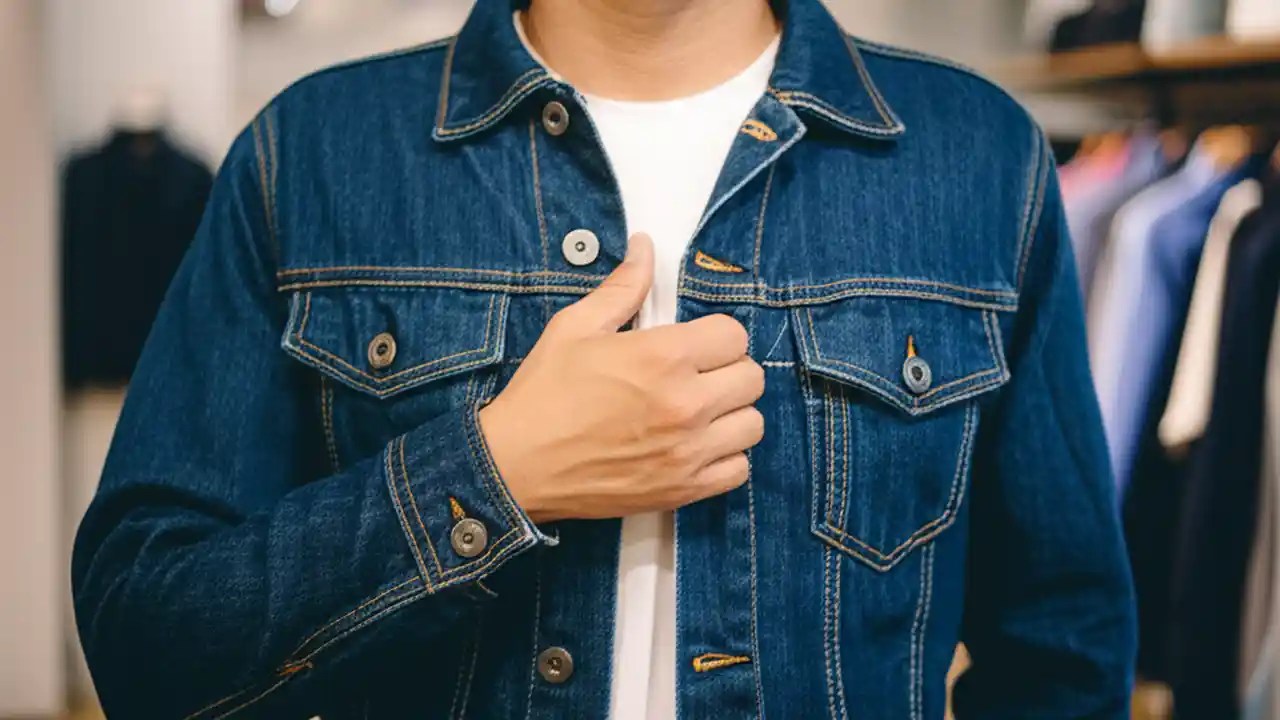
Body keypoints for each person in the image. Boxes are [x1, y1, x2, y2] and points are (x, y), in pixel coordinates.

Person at [71, 0, 1137, 717]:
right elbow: (145, 635)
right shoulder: (309, 154)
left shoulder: (974, 157)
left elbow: (1061, 644)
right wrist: (491, 475)